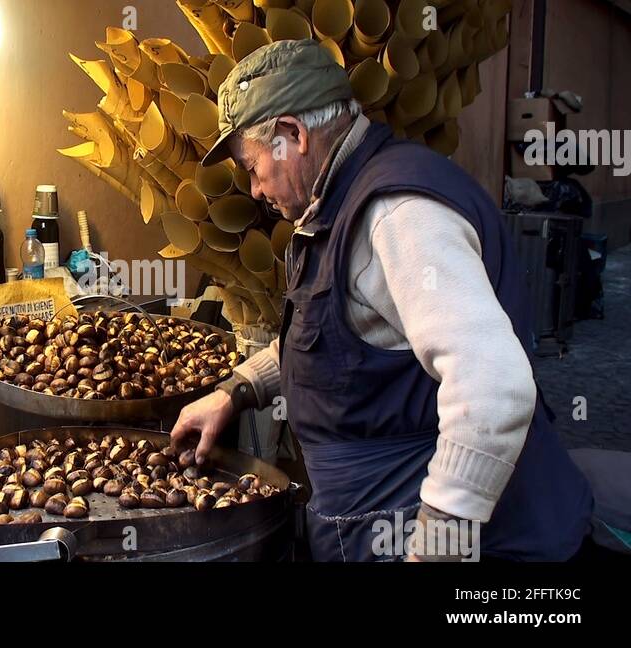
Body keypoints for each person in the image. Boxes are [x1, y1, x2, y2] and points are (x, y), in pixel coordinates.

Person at [170, 39, 592, 562]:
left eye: (253, 167)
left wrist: (438, 544)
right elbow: (339, 340)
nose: (254, 190)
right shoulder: (339, 201)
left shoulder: (397, 215)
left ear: (292, 136)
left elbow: (494, 387)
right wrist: (237, 391)